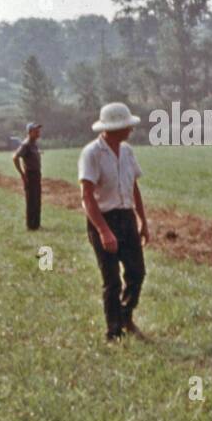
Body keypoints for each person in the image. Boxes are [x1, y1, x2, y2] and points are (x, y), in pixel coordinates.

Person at [78, 102, 149, 341]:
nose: (130, 130)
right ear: (113, 128)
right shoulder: (91, 154)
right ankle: (114, 332)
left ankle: (125, 314)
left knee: (137, 272)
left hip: (126, 218)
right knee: (111, 280)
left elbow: (134, 186)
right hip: (103, 218)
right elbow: (87, 196)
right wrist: (104, 231)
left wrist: (143, 220)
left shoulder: (127, 151)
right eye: (126, 126)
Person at [11, 122, 42, 230]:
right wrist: (22, 174)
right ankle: (31, 225)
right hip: (30, 175)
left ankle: (36, 224)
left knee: (37, 199)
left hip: (37, 174)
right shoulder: (26, 145)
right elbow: (15, 157)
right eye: (36, 131)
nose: (38, 132)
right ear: (30, 132)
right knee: (31, 200)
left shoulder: (34, 144)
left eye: (38, 130)